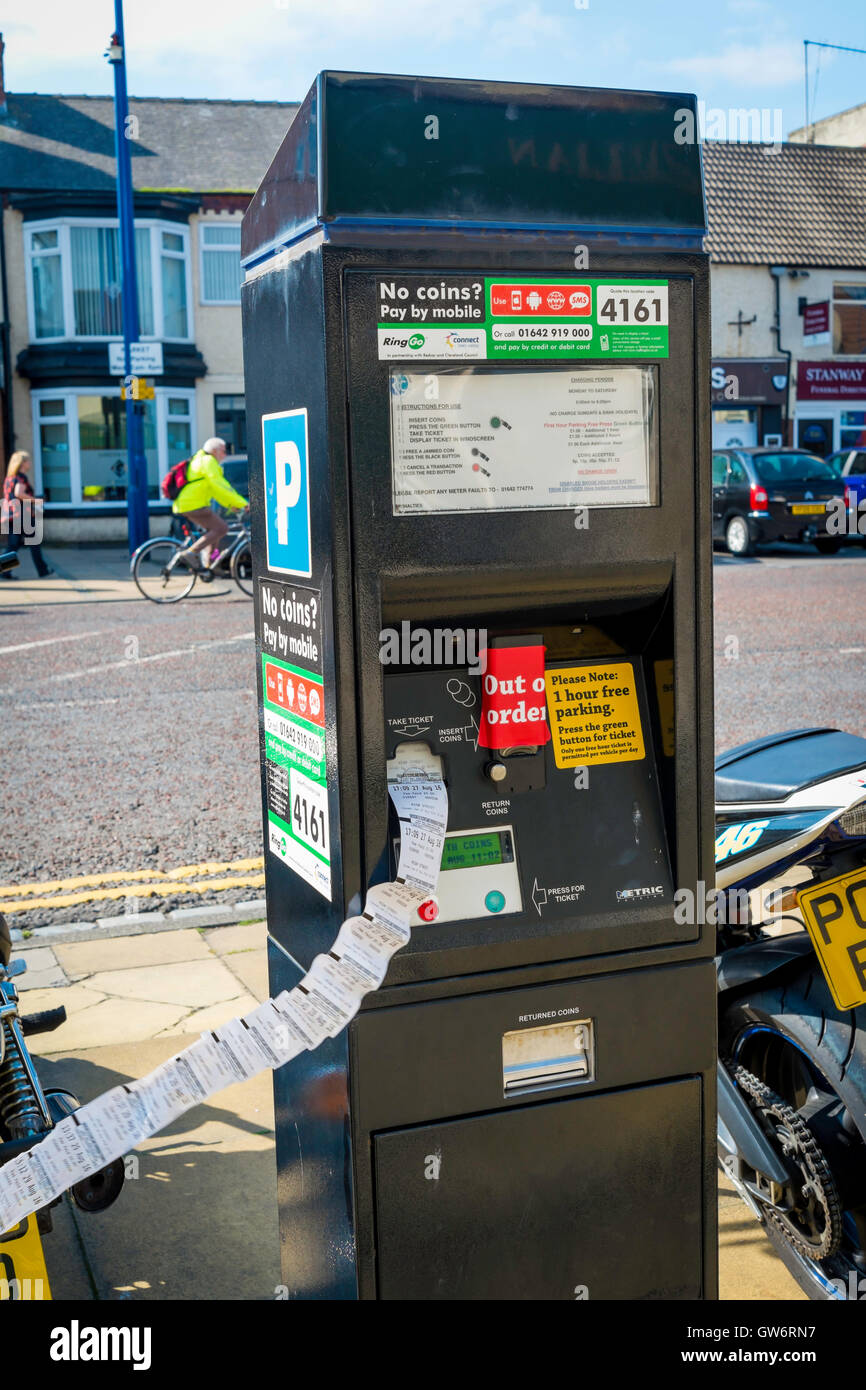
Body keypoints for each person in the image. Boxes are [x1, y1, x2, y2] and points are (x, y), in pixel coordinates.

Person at [171, 437, 248, 569]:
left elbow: (215, 491)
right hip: (193, 505)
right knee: (222, 528)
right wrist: (243, 503)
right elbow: (221, 486)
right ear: (214, 451)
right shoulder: (208, 461)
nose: (225, 455)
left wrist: (231, 504)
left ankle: (210, 566)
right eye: (223, 451)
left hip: (188, 504)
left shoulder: (200, 459)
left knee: (214, 531)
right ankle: (190, 552)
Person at [0, 451, 53, 579]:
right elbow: (19, 493)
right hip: (23, 516)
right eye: (28, 461)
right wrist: (36, 500)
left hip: (12, 515)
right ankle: (43, 570)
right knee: (34, 543)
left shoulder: (9, 479)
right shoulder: (21, 477)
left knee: (14, 545)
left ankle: (5, 570)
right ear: (22, 463)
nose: (29, 463)